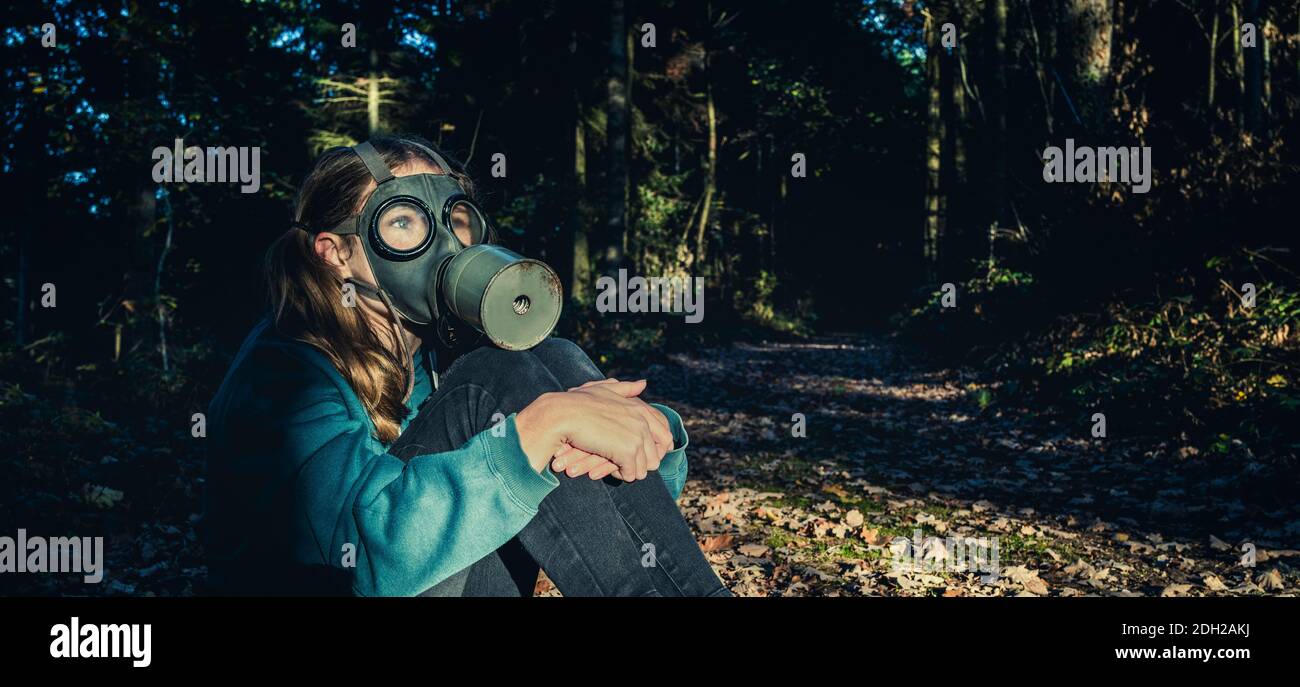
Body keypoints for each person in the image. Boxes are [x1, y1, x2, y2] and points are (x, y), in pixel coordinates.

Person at [200, 133, 729, 597]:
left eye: (455, 219)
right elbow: (361, 558)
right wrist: (536, 431)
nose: (444, 243)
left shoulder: (443, 354)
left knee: (549, 357)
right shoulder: (282, 375)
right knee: (502, 380)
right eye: (402, 220)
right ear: (334, 252)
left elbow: (607, 513)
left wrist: (648, 431)